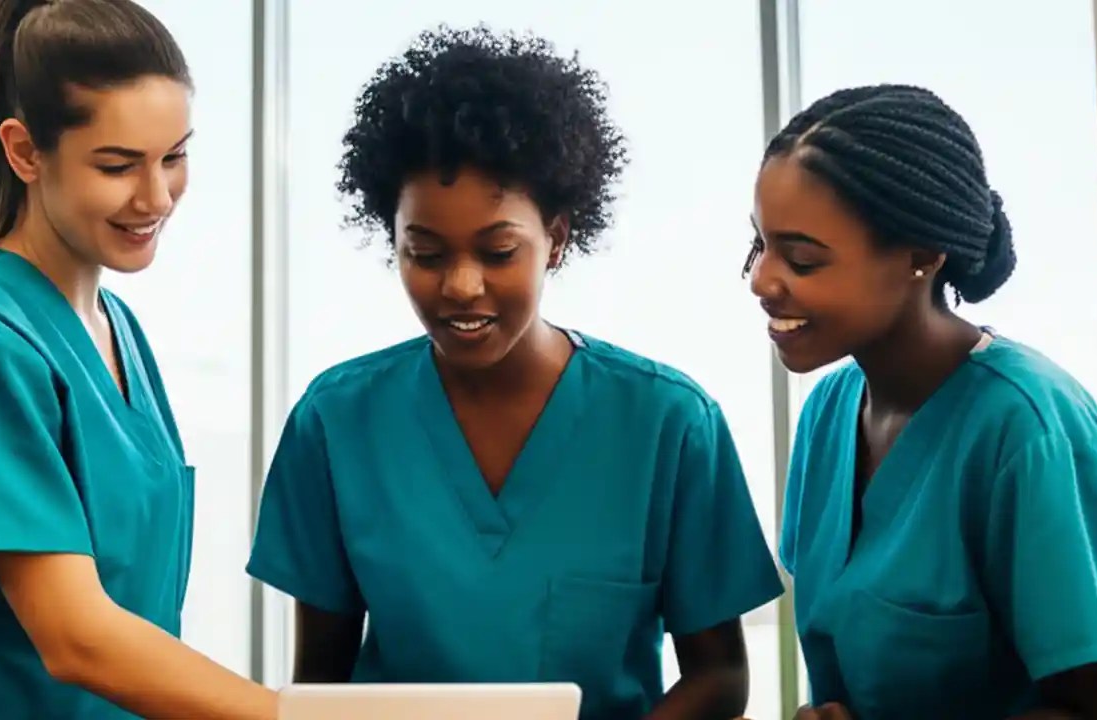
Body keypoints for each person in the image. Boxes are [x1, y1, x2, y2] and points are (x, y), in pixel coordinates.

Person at [248, 25, 783, 720]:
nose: (461, 286)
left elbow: (721, 680)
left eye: (498, 252)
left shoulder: (669, 424)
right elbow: (320, 682)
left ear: (556, 239)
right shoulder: (334, 421)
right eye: (427, 253)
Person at [0, 1, 277, 717]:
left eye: (174, 157)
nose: (157, 197)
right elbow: (75, 638)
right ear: (25, 151)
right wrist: (283, 714)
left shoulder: (117, 329)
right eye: (118, 166)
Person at [747, 84, 1097, 720]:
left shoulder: (1028, 430)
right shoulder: (829, 412)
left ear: (920, 257)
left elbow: (1089, 705)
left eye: (800, 259)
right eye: (759, 244)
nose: (762, 280)